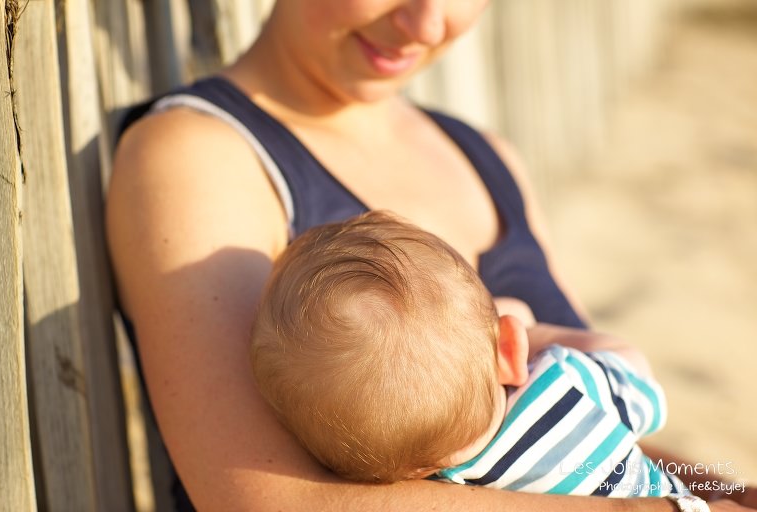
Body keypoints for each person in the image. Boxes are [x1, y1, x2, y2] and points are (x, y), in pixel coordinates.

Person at [106, 0, 755, 510]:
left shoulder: (484, 155)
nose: (425, 21)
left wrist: (725, 488)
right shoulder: (198, 154)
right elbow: (265, 500)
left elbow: (597, 439)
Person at [249, 210, 688, 497]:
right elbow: (635, 372)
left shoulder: (441, 488)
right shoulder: (567, 383)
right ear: (511, 349)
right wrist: (533, 333)